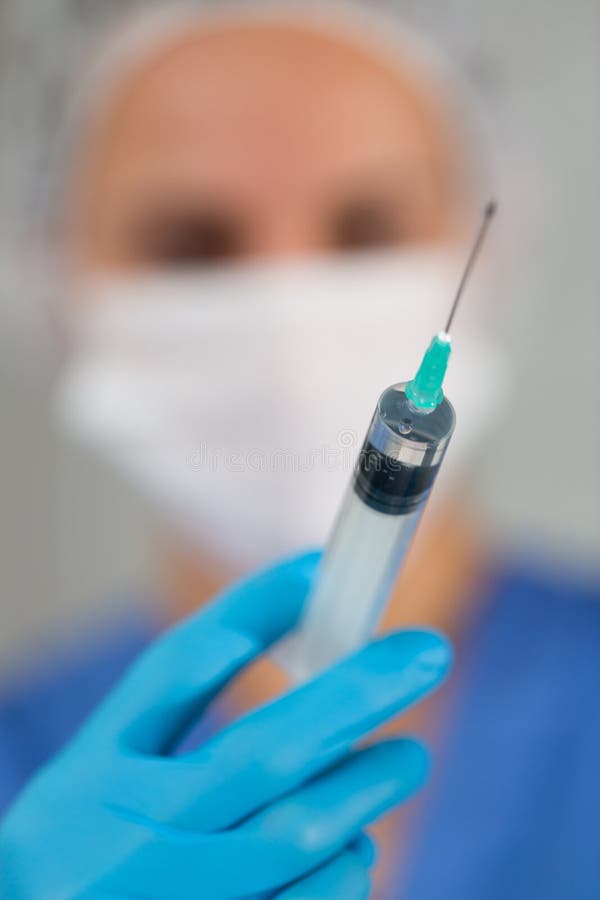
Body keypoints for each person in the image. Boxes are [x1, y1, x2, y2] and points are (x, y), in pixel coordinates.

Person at [1, 3, 600, 898]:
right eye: (190, 244)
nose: (288, 306)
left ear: (497, 257)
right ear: (49, 281)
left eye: (366, 227)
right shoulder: (28, 800)